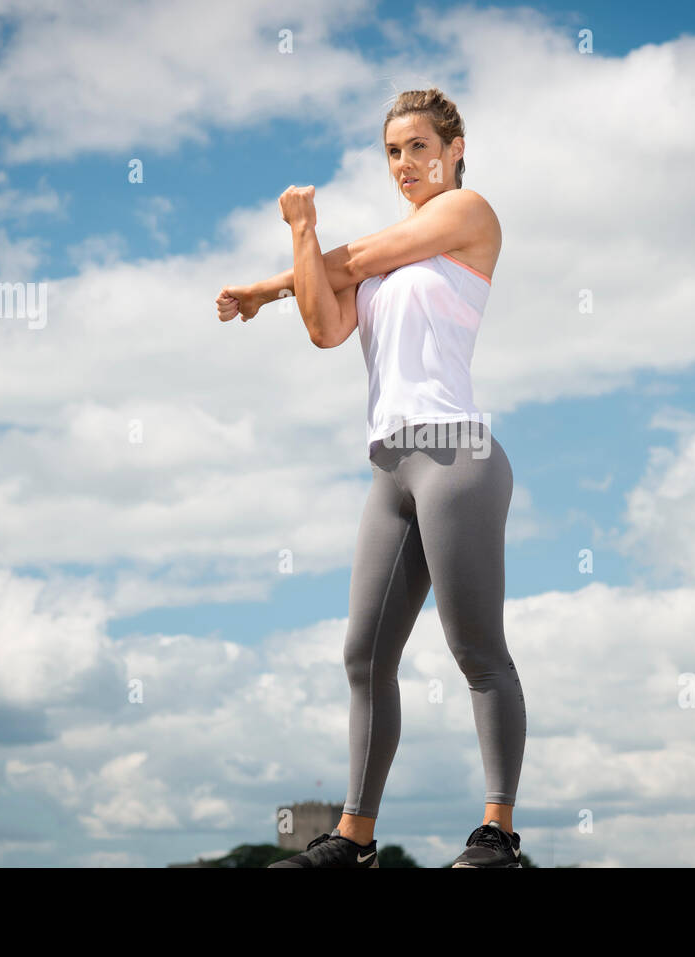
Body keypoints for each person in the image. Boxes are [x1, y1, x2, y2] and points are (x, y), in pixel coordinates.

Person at [217, 88, 525, 869]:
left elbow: (356, 261)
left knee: (475, 647)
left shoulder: (468, 214)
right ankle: (352, 838)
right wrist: (302, 234)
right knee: (363, 654)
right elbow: (325, 325)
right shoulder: (384, 258)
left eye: (420, 146)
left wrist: (264, 285)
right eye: (393, 151)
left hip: (457, 456)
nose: (406, 163)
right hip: (390, 465)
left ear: (455, 149)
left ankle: (497, 834)